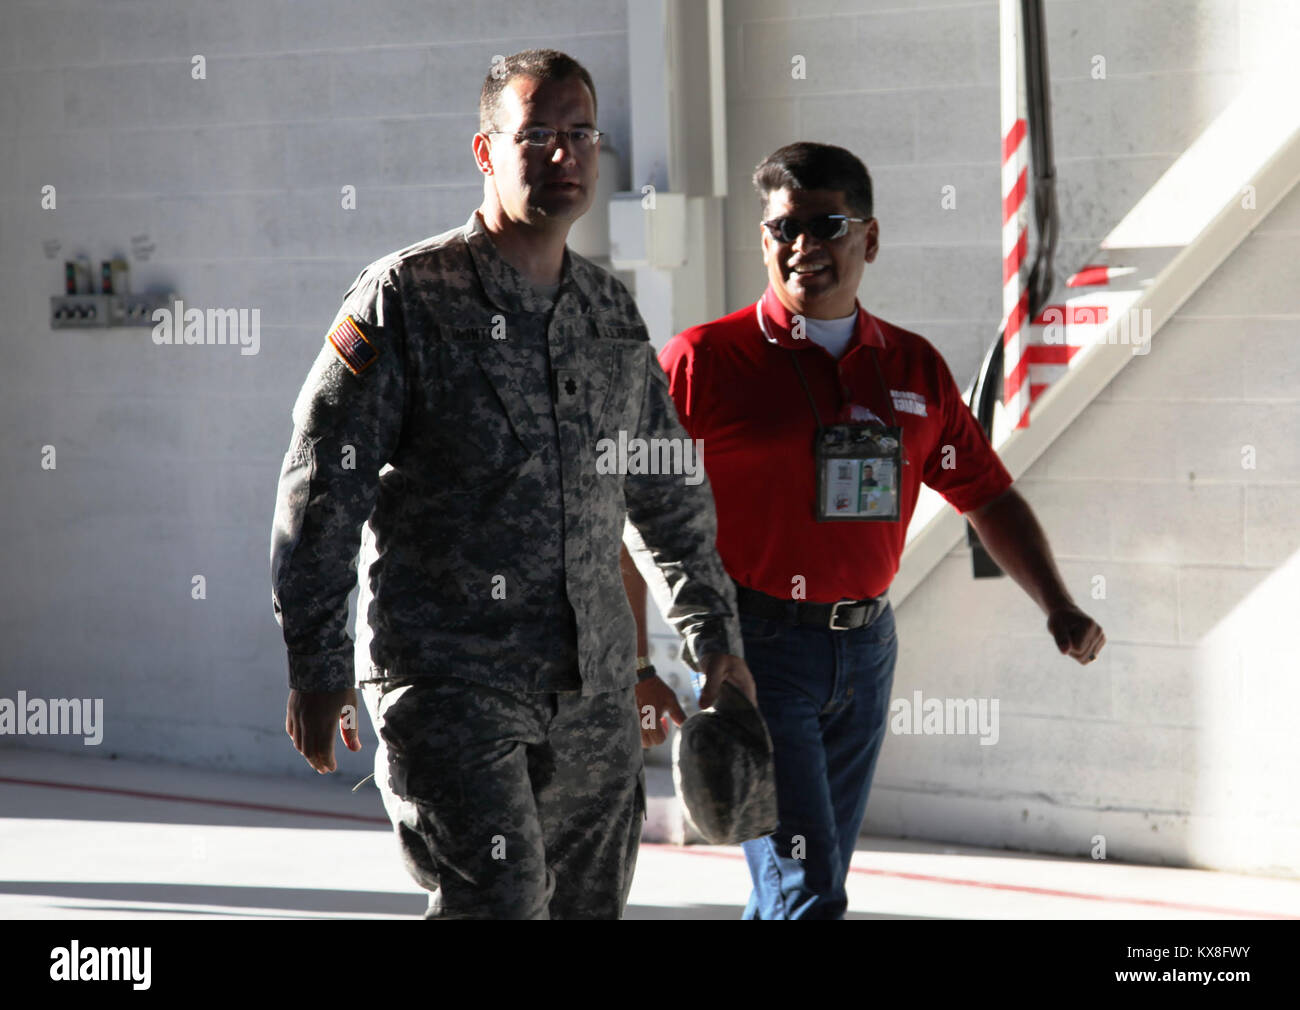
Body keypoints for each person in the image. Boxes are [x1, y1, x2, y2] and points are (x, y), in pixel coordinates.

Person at [269, 48, 754, 920]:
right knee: (498, 897)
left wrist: (713, 637)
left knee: (584, 908)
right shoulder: (407, 299)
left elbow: (664, 489)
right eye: (537, 135)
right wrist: (315, 660)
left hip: (594, 693)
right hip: (452, 682)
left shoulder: (610, 312)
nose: (564, 154)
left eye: (581, 134)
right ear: (486, 152)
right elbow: (322, 486)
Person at [626, 142, 1105, 919]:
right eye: (784, 229)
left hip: (866, 651)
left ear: (870, 240)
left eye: (828, 225)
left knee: (795, 890)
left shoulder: (912, 367)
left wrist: (1056, 601)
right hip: (754, 654)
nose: (804, 246)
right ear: (764, 239)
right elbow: (626, 513)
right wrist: (634, 669)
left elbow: (985, 491)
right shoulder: (703, 363)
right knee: (808, 892)